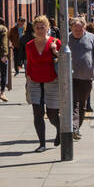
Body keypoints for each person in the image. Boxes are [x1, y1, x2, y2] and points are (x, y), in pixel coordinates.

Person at [24, 15, 62, 151]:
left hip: (52, 81)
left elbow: (64, 61)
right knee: (37, 113)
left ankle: (60, 130)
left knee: (52, 115)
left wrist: (55, 51)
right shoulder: (29, 45)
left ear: (48, 28)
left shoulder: (55, 42)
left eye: (43, 27)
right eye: (38, 28)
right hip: (35, 82)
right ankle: (42, 144)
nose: (40, 30)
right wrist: (27, 80)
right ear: (34, 29)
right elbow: (29, 64)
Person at [68, 17, 94, 140]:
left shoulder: (92, 38)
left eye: (80, 30)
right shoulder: (66, 39)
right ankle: (74, 128)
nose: (77, 32)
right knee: (74, 104)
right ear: (71, 28)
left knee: (82, 105)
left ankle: (76, 128)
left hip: (87, 77)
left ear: (84, 28)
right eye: (75, 30)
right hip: (71, 77)